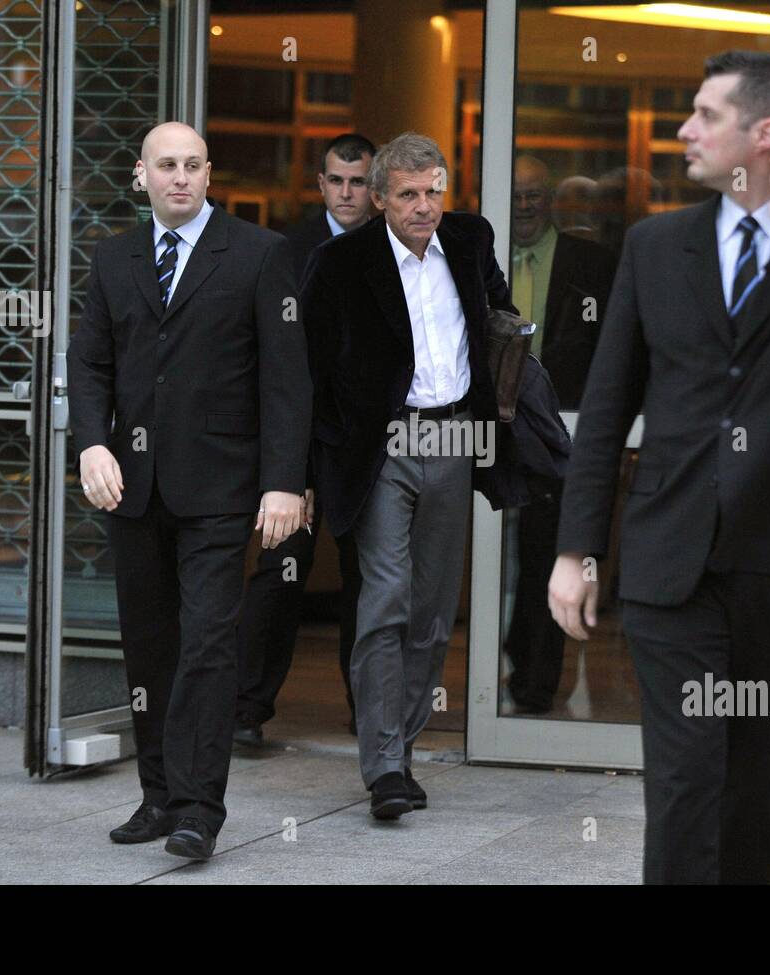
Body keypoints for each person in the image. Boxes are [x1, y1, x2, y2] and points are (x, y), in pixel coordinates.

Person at [548, 51, 770, 884]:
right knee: (682, 781)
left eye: (706, 114)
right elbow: (605, 411)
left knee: (755, 788)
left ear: (765, 133)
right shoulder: (654, 245)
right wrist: (576, 549)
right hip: (675, 559)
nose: (685, 129)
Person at [68, 121, 310, 860]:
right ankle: (157, 795)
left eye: (192, 165)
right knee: (150, 648)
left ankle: (199, 809)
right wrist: (91, 443)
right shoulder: (113, 259)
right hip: (133, 489)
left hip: (222, 489)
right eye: (165, 165)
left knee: (207, 643)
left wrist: (283, 484)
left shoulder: (260, 255)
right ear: (141, 176)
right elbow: (90, 366)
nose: (180, 177)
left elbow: (287, 380)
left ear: (211, 174)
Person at [302, 132, 516, 819]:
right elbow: (312, 371)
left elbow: (498, 316)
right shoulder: (339, 264)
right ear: (378, 197)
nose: (424, 207)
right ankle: (384, 765)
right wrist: (309, 469)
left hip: (455, 433)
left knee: (430, 612)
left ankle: (405, 745)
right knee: (386, 598)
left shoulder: (471, 240)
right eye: (408, 195)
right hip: (384, 444)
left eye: (433, 192)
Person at [234, 133, 377, 746]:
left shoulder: (394, 248)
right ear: (320, 185)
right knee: (280, 571)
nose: (347, 193)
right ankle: (244, 711)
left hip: (368, 447)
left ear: (375, 188)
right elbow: (273, 360)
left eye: (359, 181)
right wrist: (293, 470)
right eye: (337, 181)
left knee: (369, 582)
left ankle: (367, 714)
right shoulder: (285, 250)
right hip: (298, 444)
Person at [504, 155, 616, 713]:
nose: (524, 206)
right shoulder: (480, 255)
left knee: (544, 552)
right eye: (515, 195)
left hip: (556, 429)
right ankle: (502, 662)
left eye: (534, 196)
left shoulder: (589, 265)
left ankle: (534, 681)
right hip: (485, 427)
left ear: (549, 201)